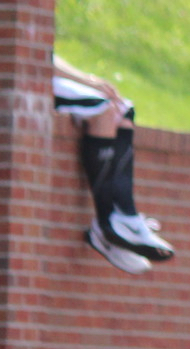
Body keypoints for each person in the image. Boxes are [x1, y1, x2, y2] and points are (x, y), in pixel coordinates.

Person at [53, 54, 174, 274]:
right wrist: (87, 80)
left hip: (46, 74)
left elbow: (45, 52)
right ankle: (109, 225)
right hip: (23, 78)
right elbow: (37, 55)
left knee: (123, 109)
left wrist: (88, 79)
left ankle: (124, 216)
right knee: (103, 107)